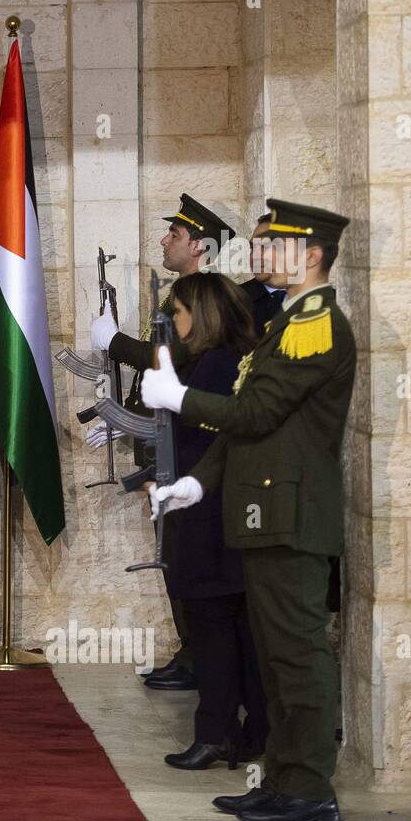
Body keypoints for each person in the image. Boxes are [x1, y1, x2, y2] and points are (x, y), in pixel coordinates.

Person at [145, 198, 354, 821]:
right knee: (274, 658)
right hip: (265, 512)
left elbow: (257, 415)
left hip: (291, 516)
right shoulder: (284, 325)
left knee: (297, 659)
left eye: (276, 245)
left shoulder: (318, 325)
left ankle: (310, 790)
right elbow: (244, 432)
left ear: (311, 256)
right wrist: (200, 485)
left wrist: (181, 398)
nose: (260, 254)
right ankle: (284, 778)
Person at [90, 193, 240, 692]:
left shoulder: (203, 302)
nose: (163, 241)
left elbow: (166, 365)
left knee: (185, 555)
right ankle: (191, 651)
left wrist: (114, 343)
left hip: (188, 450)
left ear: (199, 245)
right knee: (175, 554)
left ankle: (200, 658)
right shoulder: (183, 294)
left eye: (174, 235)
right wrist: (126, 418)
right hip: (164, 440)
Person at [153, 272, 268, 770]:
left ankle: (218, 733)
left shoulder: (218, 364)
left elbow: (214, 440)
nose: (174, 321)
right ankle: (250, 732)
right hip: (216, 509)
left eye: (177, 312)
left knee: (214, 628)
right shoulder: (226, 359)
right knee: (235, 630)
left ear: (200, 314)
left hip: (213, 517)